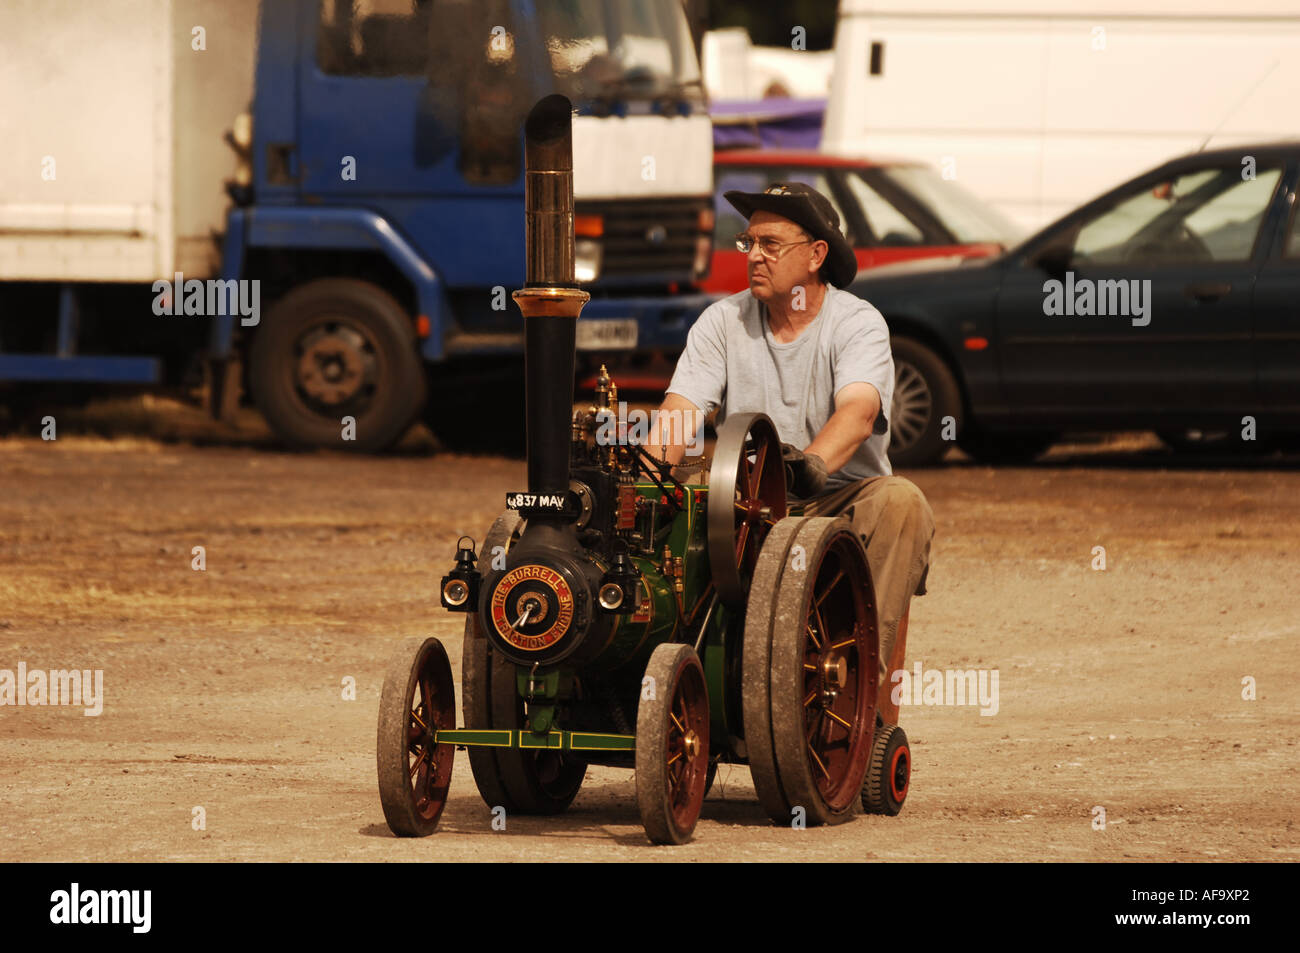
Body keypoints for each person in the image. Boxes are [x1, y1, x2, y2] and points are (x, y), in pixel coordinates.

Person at [649, 182, 935, 689]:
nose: (754, 256)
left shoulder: (857, 323)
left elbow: (859, 412)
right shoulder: (723, 321)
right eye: (748, 243)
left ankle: (857, 686)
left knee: (902, 502)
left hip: (832, 498)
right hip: (745, 507)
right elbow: (680, 413)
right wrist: (641, 475)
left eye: (770, 244)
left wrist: (809, 464)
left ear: (816, 256)